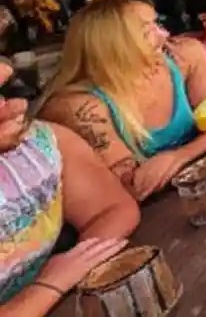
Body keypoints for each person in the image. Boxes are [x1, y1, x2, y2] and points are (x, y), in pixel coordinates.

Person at [40, 0, 206, 200]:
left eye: (157, 24)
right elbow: (134, 188)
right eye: (146, 32)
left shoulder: (183, 55)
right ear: (113, 46)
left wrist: (179, 157)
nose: (165, 35)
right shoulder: (81, 106)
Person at [0, 60, 139, 312]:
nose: (12, 107)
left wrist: (75, 266)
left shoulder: (42, 143)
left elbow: (112, 209)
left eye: (5, 91)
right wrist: (50, 284)